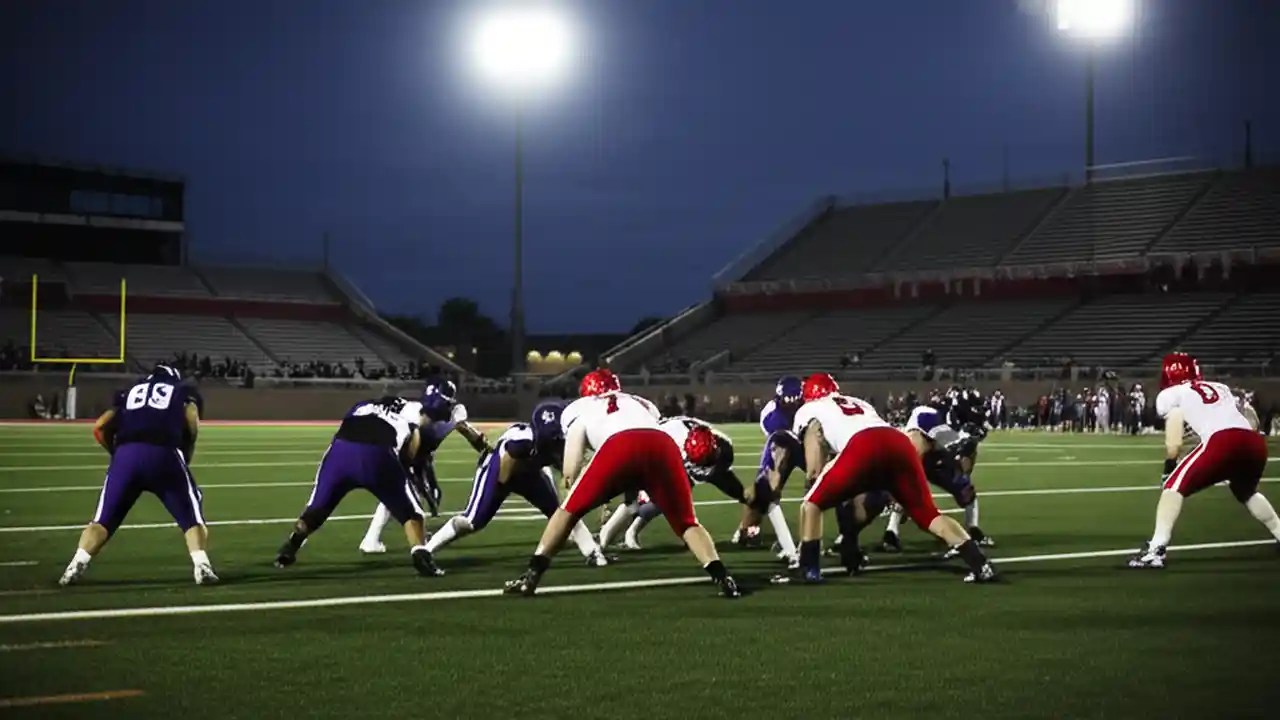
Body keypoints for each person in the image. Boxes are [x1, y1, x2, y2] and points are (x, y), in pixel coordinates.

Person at [502, 369, 741, 598]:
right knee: (687, 523)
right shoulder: (642, 402)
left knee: (567, 512)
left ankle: (531, 576)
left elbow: (570, 470)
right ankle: (722, 577)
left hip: (619, 446)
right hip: (662, 445)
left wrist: (577, 483)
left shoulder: (580, 408)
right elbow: (644, 444)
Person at [784, 373, 995, 584]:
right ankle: (979, 563)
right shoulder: (859, 403)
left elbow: (815, 459)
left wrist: (815, 483)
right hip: (899, 442)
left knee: (811, 504)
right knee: (929, 515)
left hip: (863, 445)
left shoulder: (809, 409)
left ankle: (809, 570)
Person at [58, 365, 215, 586]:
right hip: (164, 453)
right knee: (191, 517)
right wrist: (187, 450)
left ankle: (75, 565)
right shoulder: (181, 390)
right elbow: (191, 418)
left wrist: (118, 454)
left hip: (126, 455)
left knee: (102, 521)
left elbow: (100, 426)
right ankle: (202, 566)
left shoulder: (131, 391)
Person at [1129, 353, 1280, 568]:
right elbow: (1249, 416)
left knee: (1173, 487)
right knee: (1246, 491)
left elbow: (1175, 427)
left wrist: (1170, 464)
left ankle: (1155, 550)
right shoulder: (1221, 387)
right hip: (1253, 442)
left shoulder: (1172, 393)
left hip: (1222, 441)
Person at [425, 401, 610, 568]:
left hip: (531, 472)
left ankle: (592, 552)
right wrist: (503, 489)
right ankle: (427, 549)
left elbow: (568, 472)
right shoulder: (521, 443)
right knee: (472, 521)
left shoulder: (553, 441)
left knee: (563, 513)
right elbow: (504, 474)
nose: (559, 443)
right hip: (500, 469)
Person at [274, 395, 443, 577]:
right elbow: (408, 458)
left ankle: (292, 544)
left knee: (316, 509)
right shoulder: (408, 419)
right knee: (413, 514)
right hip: (378, 456)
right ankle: (421, 556)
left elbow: (345, 427)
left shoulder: (361, 406)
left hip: (340, 453)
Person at [358, 379, 489, 553]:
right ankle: (396, 542)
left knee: (404, 493)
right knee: (407, 495)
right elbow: (412, 452)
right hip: (394, 451)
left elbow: (469, 435)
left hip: (407, 455)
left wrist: (486, 448)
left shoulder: (452, 416)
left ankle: (372, 539)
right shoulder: (414, 413)